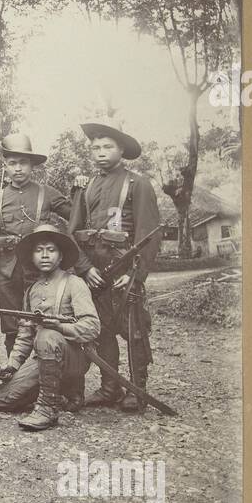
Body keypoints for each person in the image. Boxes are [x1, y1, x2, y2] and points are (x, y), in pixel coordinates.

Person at [67, 119, 161, 411]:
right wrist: (85, 269)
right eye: (95, 147)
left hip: (124, 273)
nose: (100, 152)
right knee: (102, 330)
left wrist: (136, 273)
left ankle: (137, 390)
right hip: (95, 274)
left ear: (121, 150)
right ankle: (110, 387)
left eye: (108, 146)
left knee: (133, 330)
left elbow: (149, 234)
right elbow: (74, 234)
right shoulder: (85, 187)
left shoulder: (139, 184)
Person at [0, 223, 100, 431]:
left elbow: (93, 327)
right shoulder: (31, 291)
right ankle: (59, 392)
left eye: (51, 250)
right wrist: (11, 366)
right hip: (44, 357)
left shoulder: (74, 283)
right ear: (31, 257)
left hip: (74, 357)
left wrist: (61, 327)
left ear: (60, 256)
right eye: (39, 250)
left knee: (48, 335)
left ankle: (48, 408)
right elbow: (24, 336)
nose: (44, 255)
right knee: (1, 401)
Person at [0, 133, 71, 357]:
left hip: (40, 270)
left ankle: (44, 373)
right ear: (5, 167)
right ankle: (16, 375)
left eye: (23, 163)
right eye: (12, 163)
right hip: (6, 273)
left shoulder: (46, 193)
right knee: (12, 327)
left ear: (32, 166)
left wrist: (79, 190)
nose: (18, 168)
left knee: (44, 323)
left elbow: (75, 215)